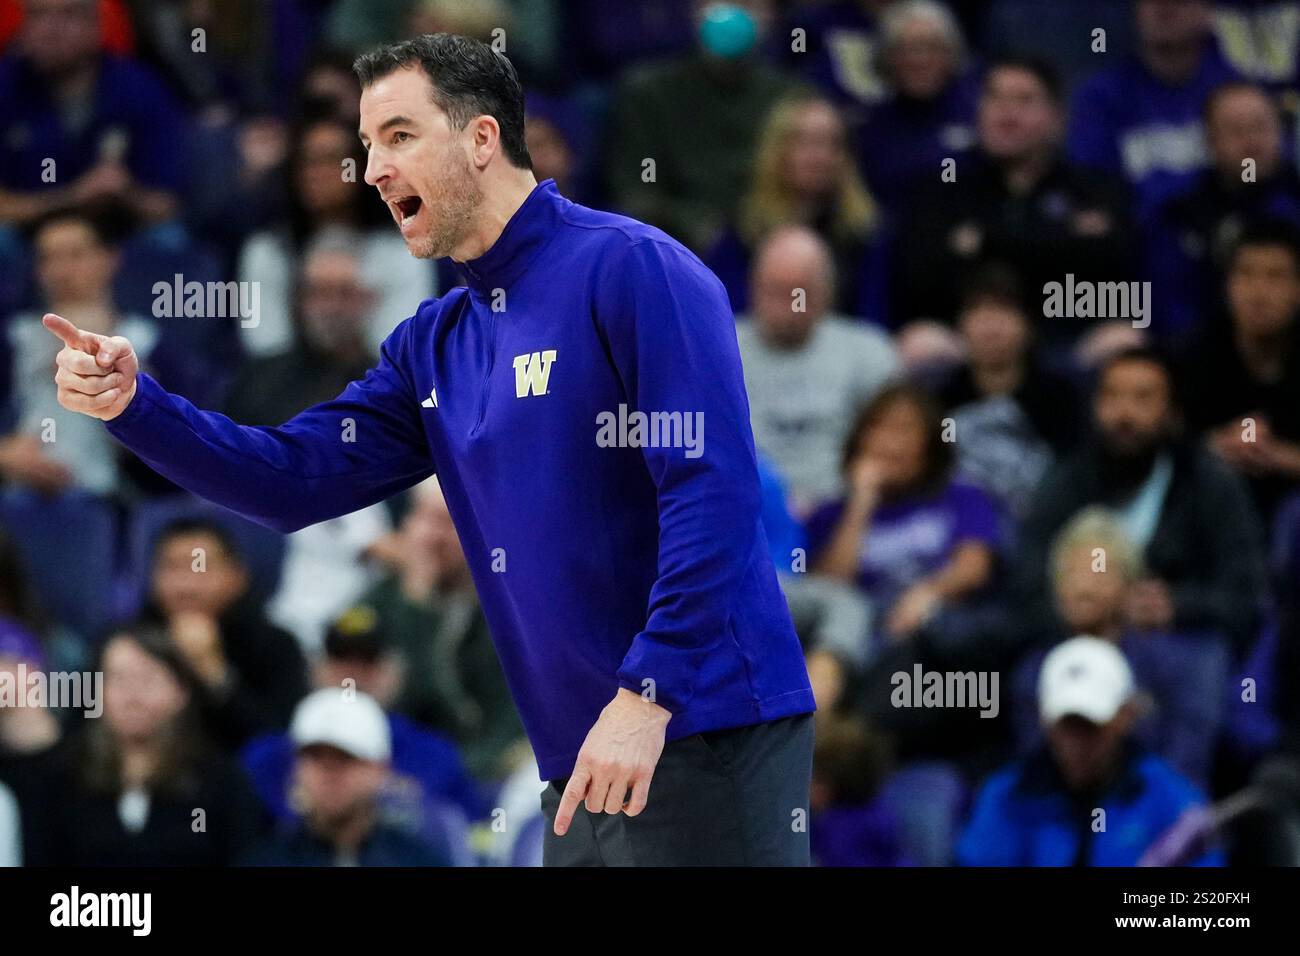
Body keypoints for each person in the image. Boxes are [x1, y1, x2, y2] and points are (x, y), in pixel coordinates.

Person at [45, 33, 815, 867]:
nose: (372, 169)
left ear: (482, 139)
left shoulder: (633, 270)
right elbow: (291, 481)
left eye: (400, 136)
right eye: (368, 145)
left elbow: (713, 491)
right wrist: (137, 407)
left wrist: (648, 692)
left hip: (699, 722)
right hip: (579, 759)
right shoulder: (435, 342)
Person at [1015, 347, 1269, 656]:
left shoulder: (1209, 484)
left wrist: (1177, 604)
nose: (1124, 414)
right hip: (1073, 648)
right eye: (1112, 396)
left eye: (1143, 398)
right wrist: (1085, 608)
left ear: (1173, 413)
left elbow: (1245, 597)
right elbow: (1024, 590)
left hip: (1176, 647)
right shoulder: (1067, 481)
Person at [957, 636, 1224, 866]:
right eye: (1067, 726)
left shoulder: (1170, 799)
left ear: (1124, 717)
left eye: (1092, 727)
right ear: (1044, 719)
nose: (1077, 743)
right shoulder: (1006, 798)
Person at [1011, 507, 1228, 787]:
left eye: (1097, 571)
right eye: (1070, 572)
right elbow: (1034, 770)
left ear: (1130, 584)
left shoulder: (1173, 667)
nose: (1082, 587)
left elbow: (1184, 766)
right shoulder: (1034, 673)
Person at [24, 626, 266, 866]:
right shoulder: (59, 779)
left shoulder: (220, 783)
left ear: (181, 691)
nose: (133, 696)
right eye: (118, 678)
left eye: (148, 679)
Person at [242, 600, 486, 829]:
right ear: (316, 669)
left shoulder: (435, 755)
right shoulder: (267, 758)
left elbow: (467, 842)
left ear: (395, 672)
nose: (352, 674)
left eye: (368, 660)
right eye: (341, 658)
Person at [356, 477, 527, 783]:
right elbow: (397, 706)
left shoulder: (509, 615)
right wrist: (414, 603)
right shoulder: (382, 600)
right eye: (423, 517)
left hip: (474, 777)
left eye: (447, 523)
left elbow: (503, 730)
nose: (431, 537)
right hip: (382, 773)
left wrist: (417, 607)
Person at [736, 225, 899, 513]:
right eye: (774, 290)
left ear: (827, 293)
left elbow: (895, 448)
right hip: (743, 514)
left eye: (798, 293)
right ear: (753, 286)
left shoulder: (870, 353)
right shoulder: (717, 349)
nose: (785, 309)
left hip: (843, 513)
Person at [137, 517, 309, 748]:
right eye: (171, 567)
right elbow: (85, 721)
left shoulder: (276, 646)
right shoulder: (125, 643)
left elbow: (280, 743)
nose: (186, 586)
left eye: (200, 567)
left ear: (237, 577)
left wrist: (215, 674)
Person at [242, 688, 451, 867]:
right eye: (315, 758)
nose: (329, 774)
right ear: (296, 768)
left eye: (345, 758)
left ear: (380, 769)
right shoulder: (265, 861)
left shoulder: (418, 860)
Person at [1179, 221, 1300, 525]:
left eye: (1275, 277)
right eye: (1245, 274)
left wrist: (1280, 456)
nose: (1259, 293)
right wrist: (1212, 447)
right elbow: (1159, 447)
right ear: (1227, 285)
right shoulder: (1193, 354)